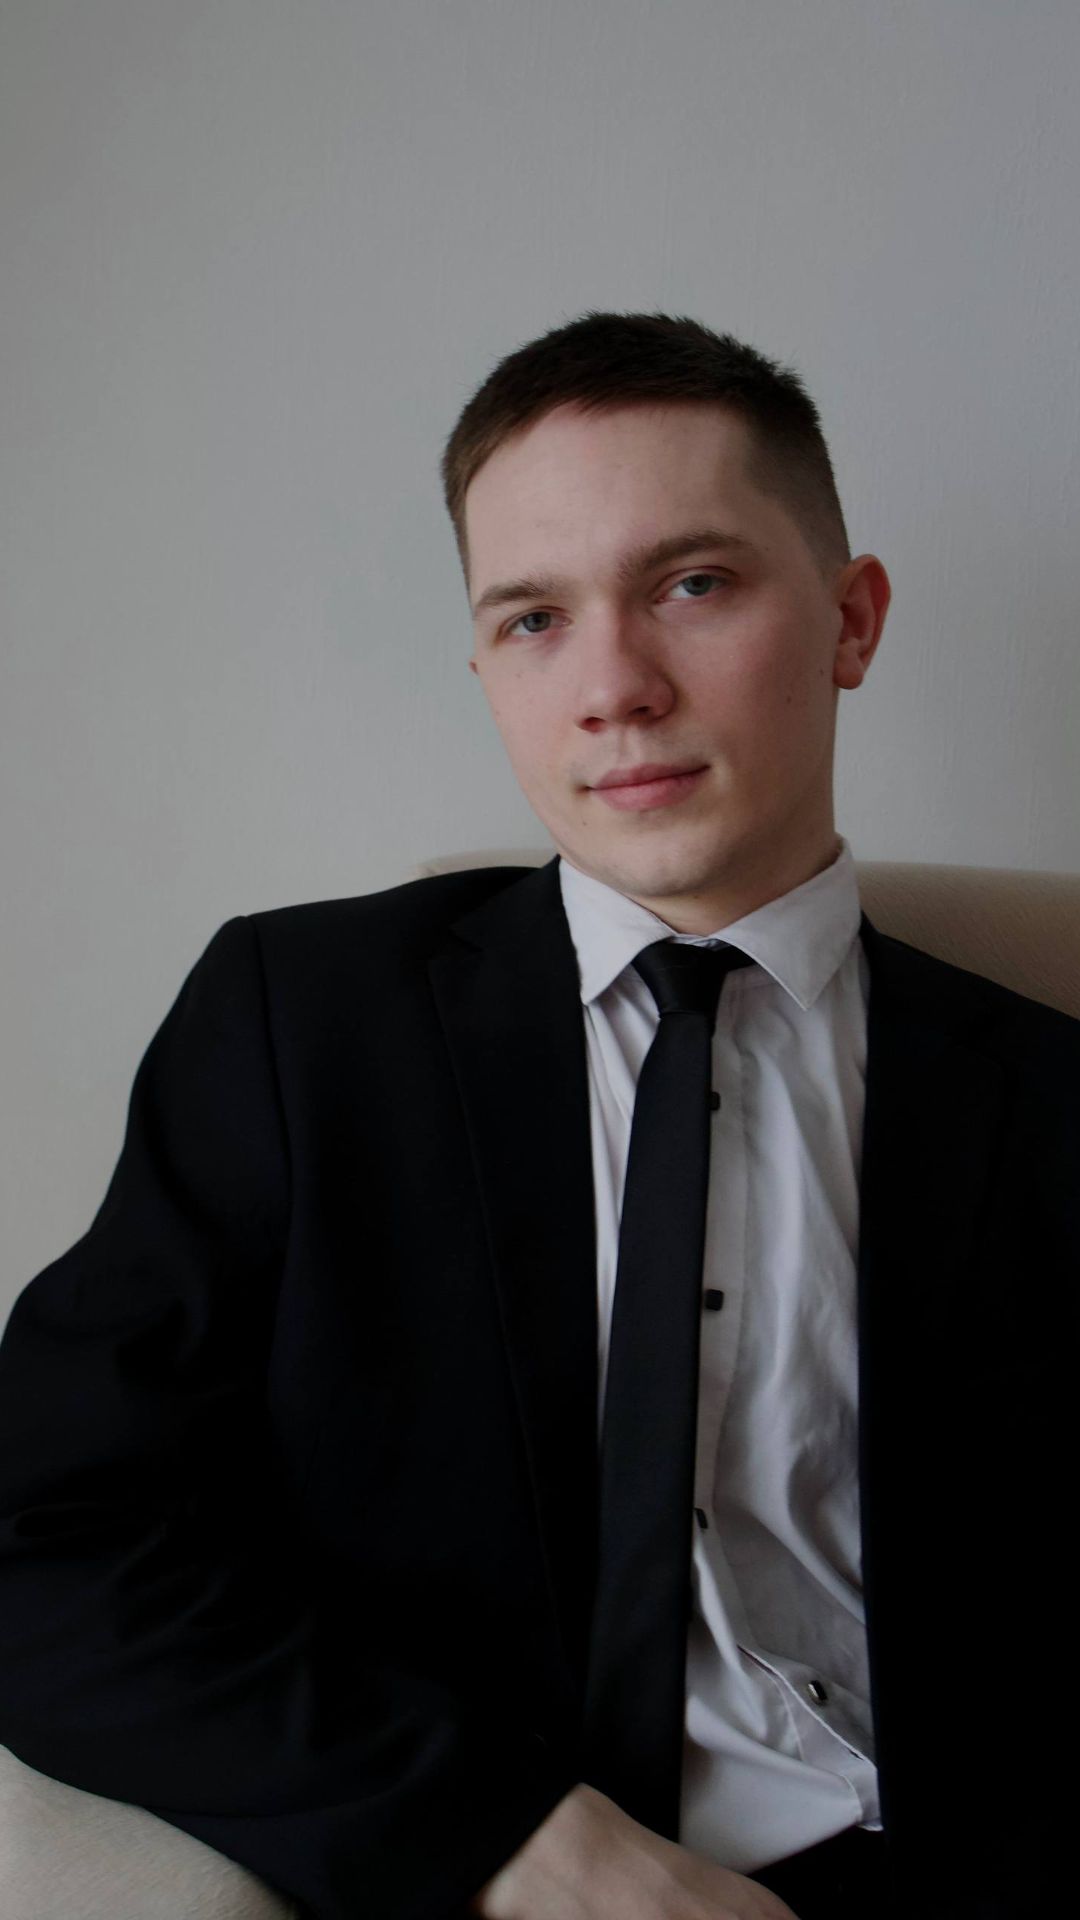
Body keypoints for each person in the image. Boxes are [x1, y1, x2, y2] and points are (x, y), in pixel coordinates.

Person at [0, 311, 1074, 1920]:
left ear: (851, 620)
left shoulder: (1047, 1095)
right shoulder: (302, 1026)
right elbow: (42, 1539)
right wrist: (505, 1840)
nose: (613, 690)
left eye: (692, 585)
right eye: (533, 619)